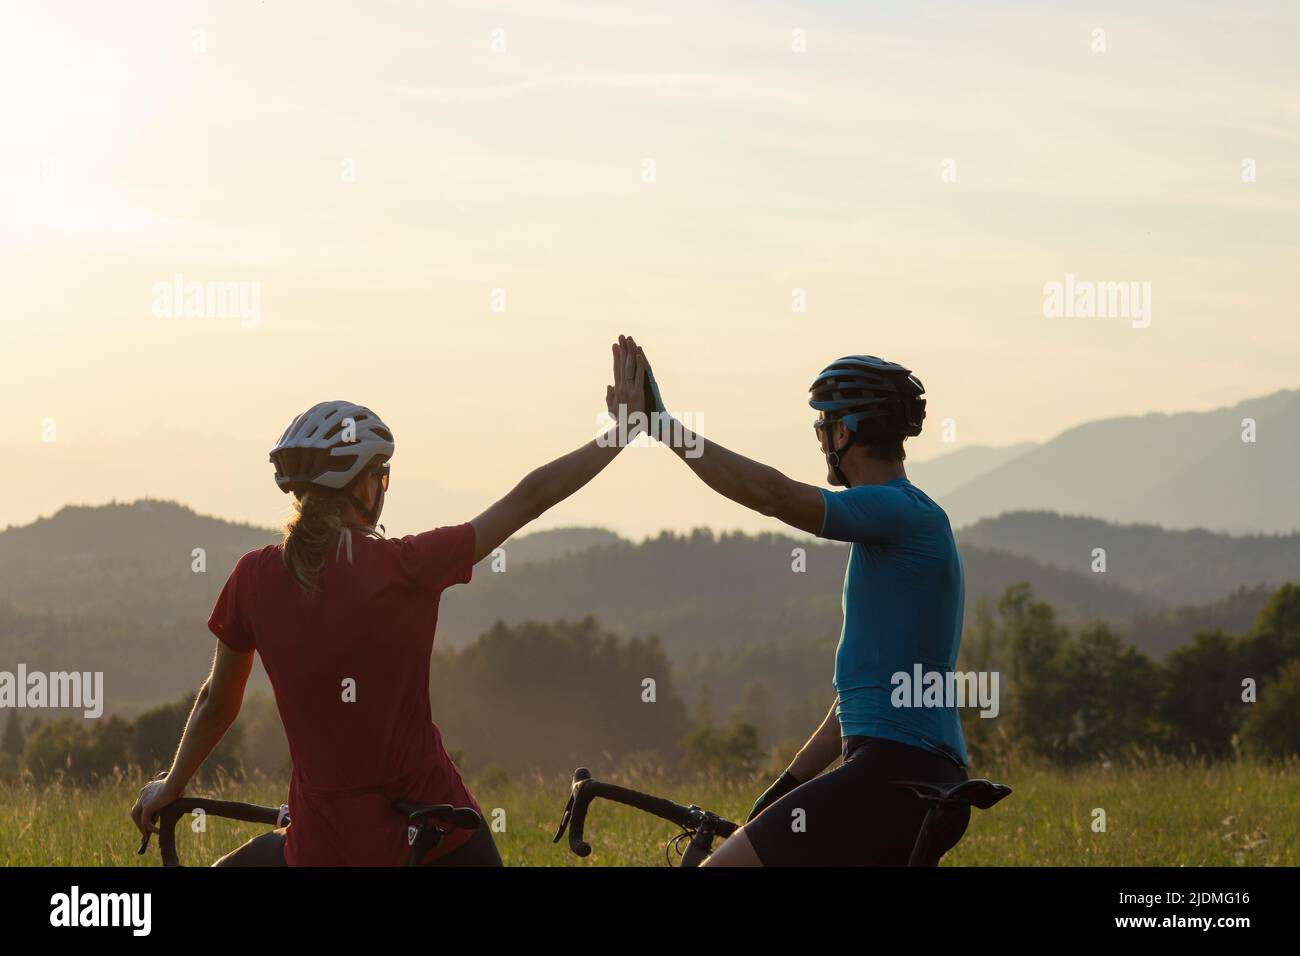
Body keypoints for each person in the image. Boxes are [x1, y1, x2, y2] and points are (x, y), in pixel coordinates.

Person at [129, 336, 652, 866]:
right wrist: (621, 433)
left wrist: (173, 783)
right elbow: (530, 498)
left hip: (323, 847)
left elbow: (218, 700)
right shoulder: (406, 566)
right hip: (435, 836)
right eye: (382, 475)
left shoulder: (254, 577)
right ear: (363, 488)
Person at [641, 351, 971, 866]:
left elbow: (774, 496)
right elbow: (858, 703)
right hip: (910, 775)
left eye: (824, 426)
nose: (821, 439)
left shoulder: (898, 511)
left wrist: (667, 429)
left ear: (845, 433)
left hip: (892, 777)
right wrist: (783, 789)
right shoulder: (898, 528)